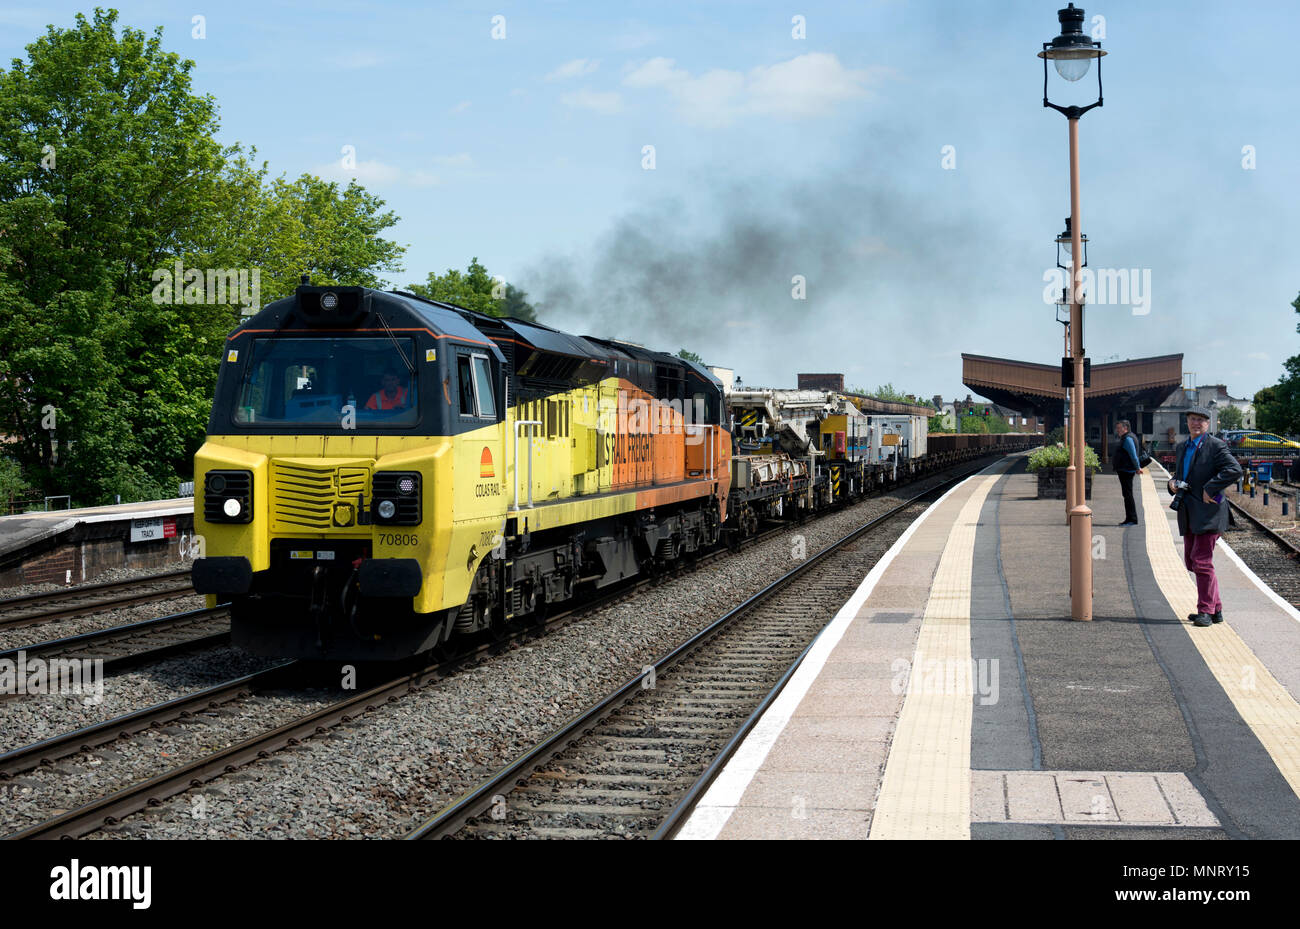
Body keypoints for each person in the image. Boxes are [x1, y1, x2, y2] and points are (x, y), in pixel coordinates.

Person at [1168, 407, 1242, 627]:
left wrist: (1211, 488)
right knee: (1192, 562)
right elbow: (1182, 475)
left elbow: (1234, 469)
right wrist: (1172, 483)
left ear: (1208, 424)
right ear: (1187, 422)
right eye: (1192, 419)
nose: (1196, 423)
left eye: (1201, 420)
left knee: (1201, 561)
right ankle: (1216, 609)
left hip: (1210, 512)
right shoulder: (1182, 447)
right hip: (1190, 513)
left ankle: (1206, 611)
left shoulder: (1216, 445)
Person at [1113, 419, 1142, 526]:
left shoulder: (1128, 439)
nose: (1117, 430)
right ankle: (1129, 518)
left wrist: (1138, 468)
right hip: (1125, 470)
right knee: (1127, 495)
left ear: (1125, 428)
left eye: (1119, 428)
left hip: (1127, 470)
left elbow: (1133, 455)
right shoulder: (1128, 437)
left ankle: (1132, 519)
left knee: (1128, 495)